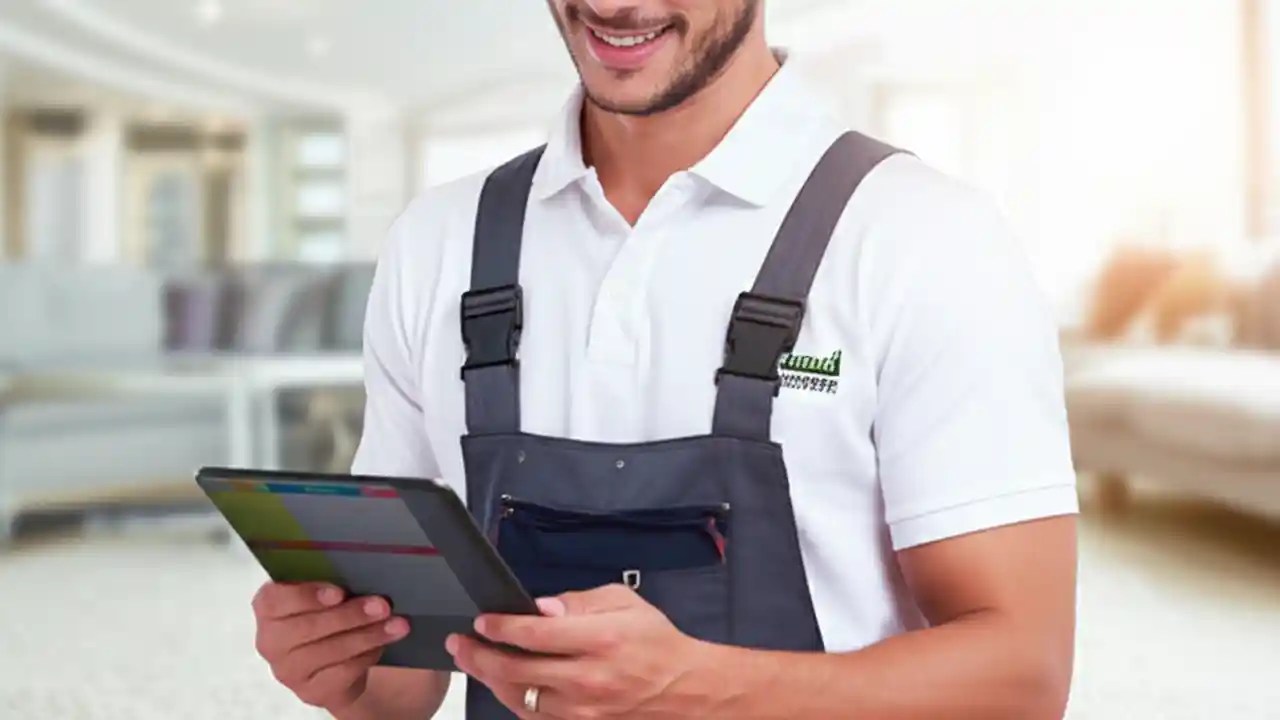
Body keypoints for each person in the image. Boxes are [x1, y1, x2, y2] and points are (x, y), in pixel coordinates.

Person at [250, 1, 1079, 718]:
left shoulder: (922, 237)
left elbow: (1021, 679)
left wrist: (701, 690)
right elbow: (407, 682)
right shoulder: (439, 242)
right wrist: (344, 667)